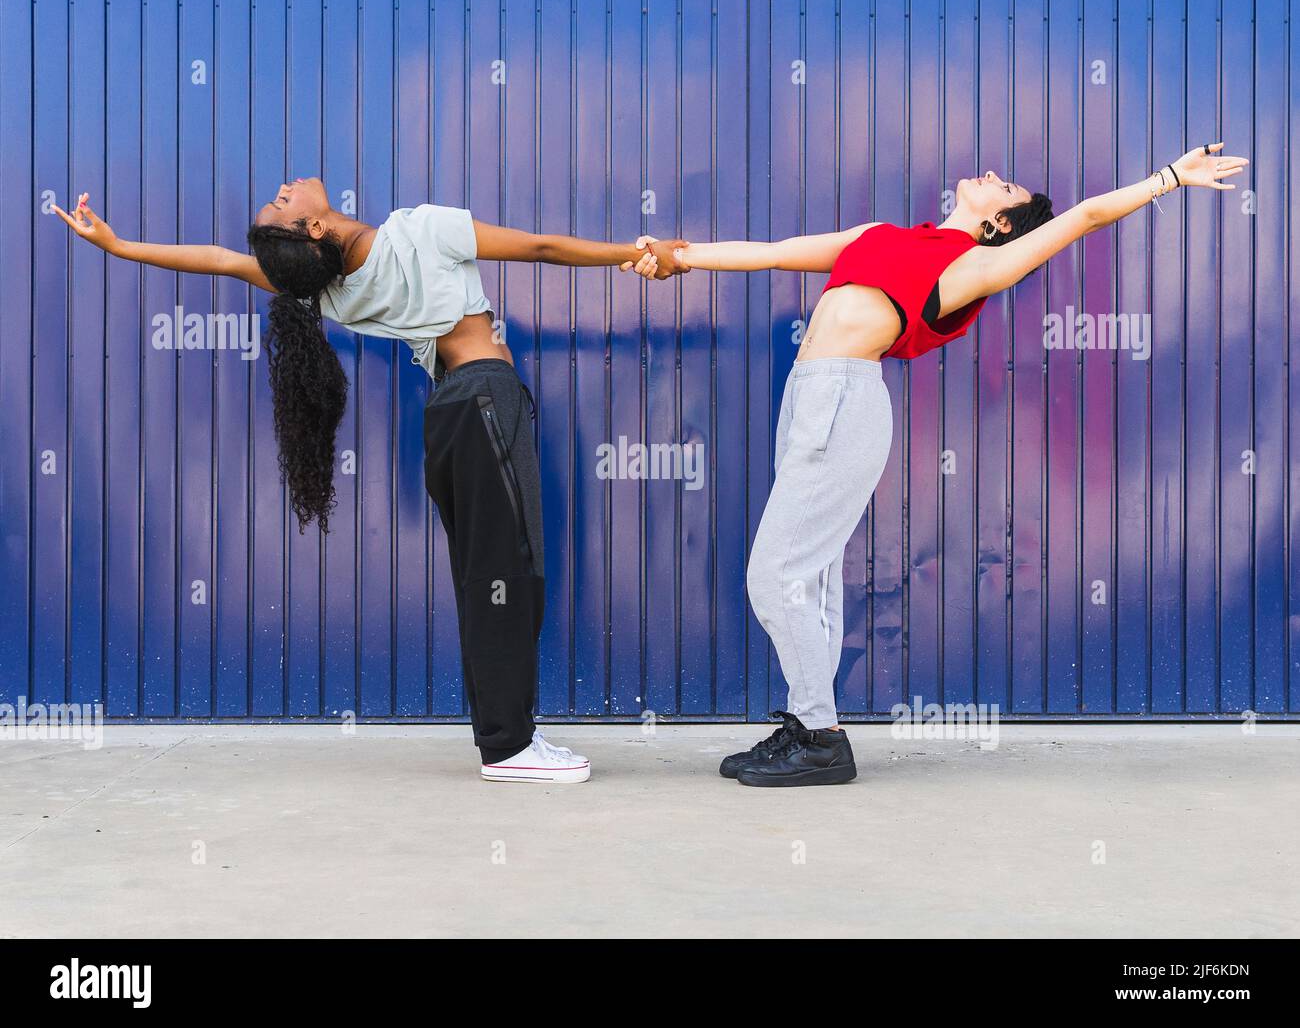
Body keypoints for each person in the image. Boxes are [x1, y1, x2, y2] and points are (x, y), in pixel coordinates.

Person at [636, 143, 1248, 787]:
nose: (992, 174)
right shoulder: (880, 236)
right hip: (808, 393)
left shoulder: (974, 265)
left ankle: (820, 736)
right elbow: (774, 252)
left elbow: (1088, 216)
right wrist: (680, 257)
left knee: (773, 574)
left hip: (846, 398)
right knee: (807, 579)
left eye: (1005, 186)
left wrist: (1171, 178)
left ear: (1000, 225)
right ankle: (806, 721)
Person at [54, 179, 687, 783]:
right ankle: (511, 747)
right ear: (316, 225)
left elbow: (220, 261)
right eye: (283, 201)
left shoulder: (330, 288)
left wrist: (119, 246)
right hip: (484, 402)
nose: (286, 186)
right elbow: (542, 248)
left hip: (452, 416)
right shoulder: (422, 230)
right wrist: (635, 252)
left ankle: (506, 737)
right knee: (506, 575)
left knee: (488, 577)